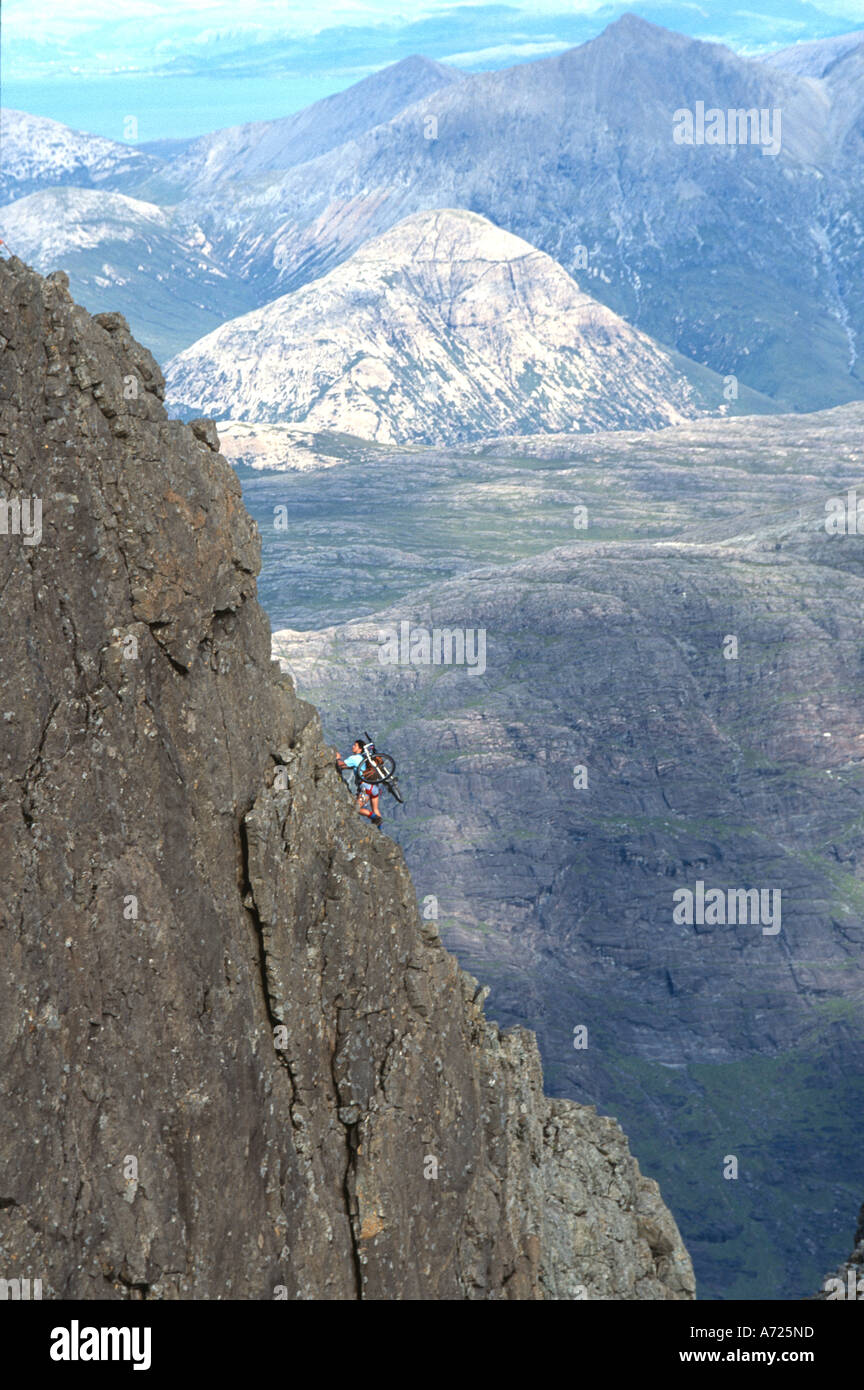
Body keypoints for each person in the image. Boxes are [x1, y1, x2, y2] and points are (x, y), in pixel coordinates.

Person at [336, 739, 383, 828]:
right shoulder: (363, 759)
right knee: (376, 809)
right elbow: (349, 767)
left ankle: (374, 817)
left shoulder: (354, 758)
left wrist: (337, 758)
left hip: (365, 788)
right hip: (374, 787)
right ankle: (380, 830)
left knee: (355, 808)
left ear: (360, 749)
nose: (352, 747)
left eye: (355, 745)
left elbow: (340, 764)